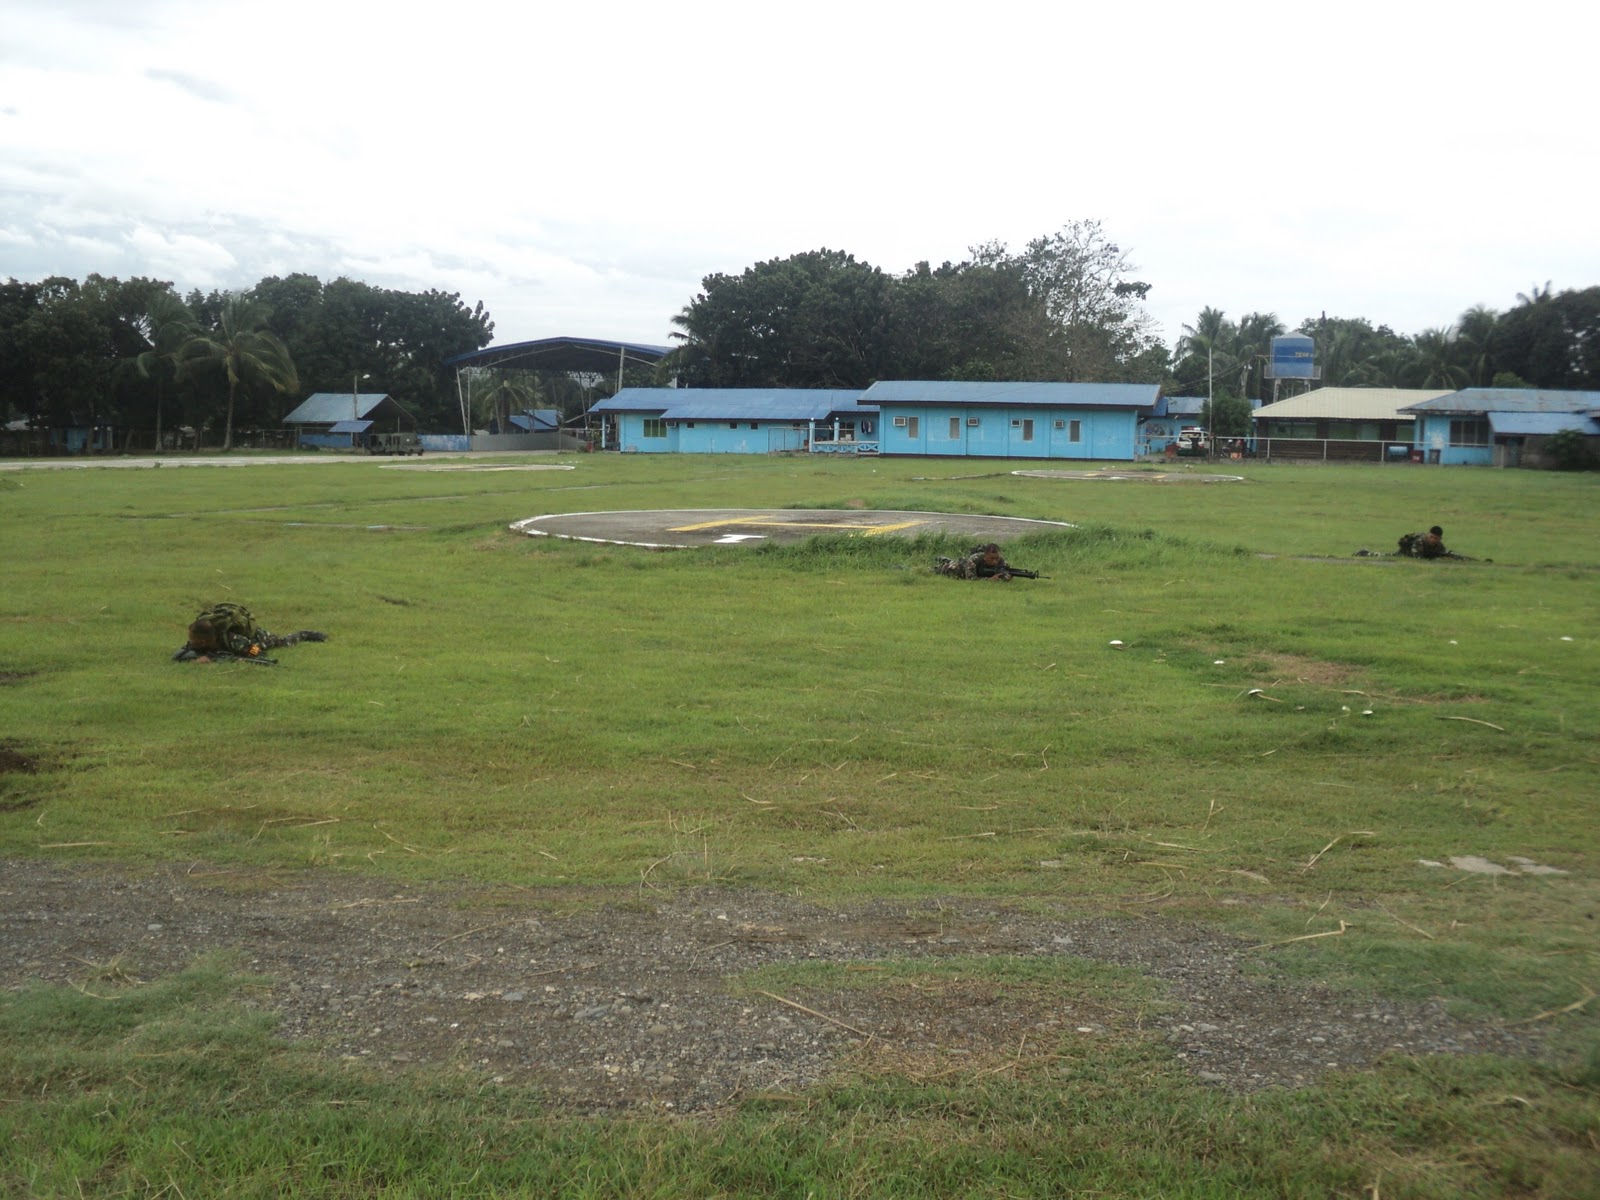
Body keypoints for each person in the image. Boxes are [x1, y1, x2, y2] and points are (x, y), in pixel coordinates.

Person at [173, 602, 327, 664]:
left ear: (203, 642)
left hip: (258, 638)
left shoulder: (235, 641)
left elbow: (258, 653)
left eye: (193, 640)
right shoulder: (202, 641)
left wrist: (241, 658)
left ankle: (306, 634)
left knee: (282, 642)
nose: (189, 642)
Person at [935, 543, 1020, 580]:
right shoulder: (975, 559)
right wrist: (989, 580)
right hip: (958, 570)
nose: (995, 561)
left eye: (997, 558)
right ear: (985, 556)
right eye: (992, 558)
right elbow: (971, 579)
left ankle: (945, 559)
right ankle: (941, 560)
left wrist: (1007, 578)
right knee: (943, 568)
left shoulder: (1002, 562)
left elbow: (1004, 574)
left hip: (968, 567)